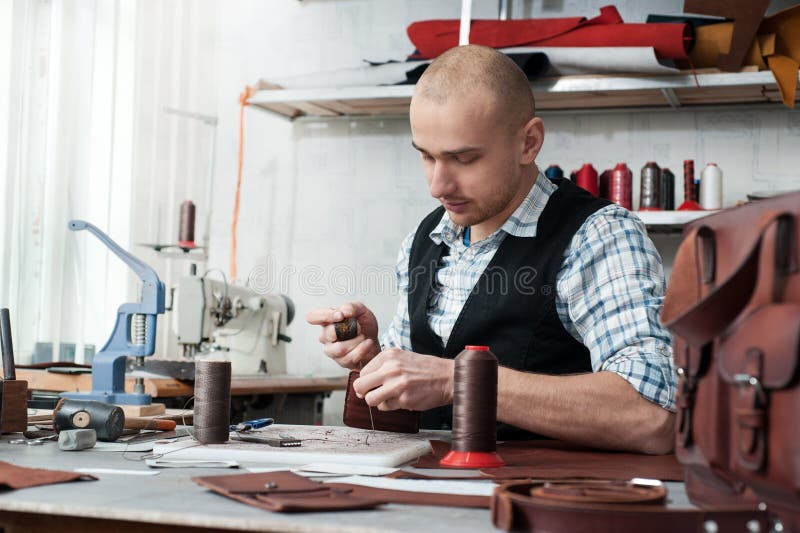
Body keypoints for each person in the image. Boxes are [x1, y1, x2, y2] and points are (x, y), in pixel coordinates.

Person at [307, 45, 675, 454]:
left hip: (538, 505)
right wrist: (374, 361)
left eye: (463, 159)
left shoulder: (599, 237)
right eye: (426, 157)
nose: (437, 186)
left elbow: (651, 416)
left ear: (528, 143)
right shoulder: (423, 239)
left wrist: (456, 380)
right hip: (436, 498)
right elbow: (415, 398)